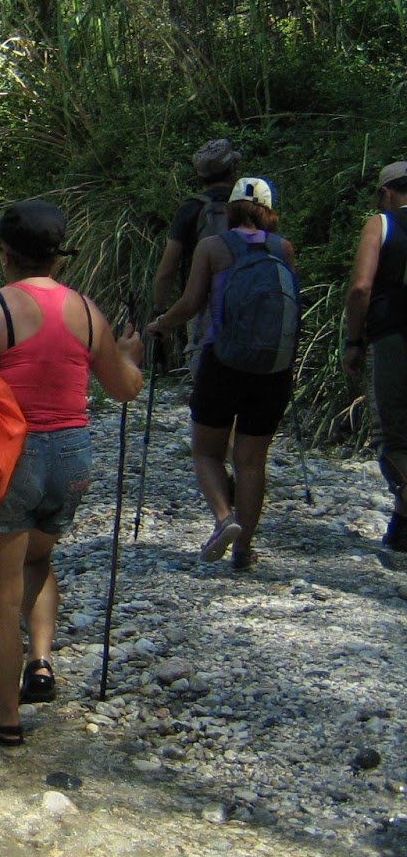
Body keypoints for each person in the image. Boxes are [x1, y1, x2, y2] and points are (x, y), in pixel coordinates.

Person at [0, 200, 142, 747]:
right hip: (73, 456)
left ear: (5, 254)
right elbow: (125, 388)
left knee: (1, 595)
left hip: (13, 456)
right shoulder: (86, 310)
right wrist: (131, 354)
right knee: (40, 557)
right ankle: (40, 663)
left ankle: (6, 718)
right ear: (58, 256)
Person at [148, 177, 295, 571]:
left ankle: (223, 518)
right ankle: (244, 549)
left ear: (229, 209)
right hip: (273, 367)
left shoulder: (212, 247)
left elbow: (192, 303)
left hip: (222, 361)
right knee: (251, 460)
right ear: (268, 210)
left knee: (206, 450)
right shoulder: (283, 248)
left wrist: (160, 323)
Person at [344, 162, 407, 553]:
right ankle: (401, 529)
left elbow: (360, 287)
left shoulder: (380, 224)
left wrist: (353, 340)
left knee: (395, 438)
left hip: (394, 338)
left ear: (385, 193)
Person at [153, 138, 241, 371]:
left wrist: (160, 314)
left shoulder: (191, 209)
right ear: (232, 169)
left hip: (202, 307)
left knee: (208, 381)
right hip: (248, 301)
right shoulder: (247, 207)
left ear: (199, 177)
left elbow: (167, 269)